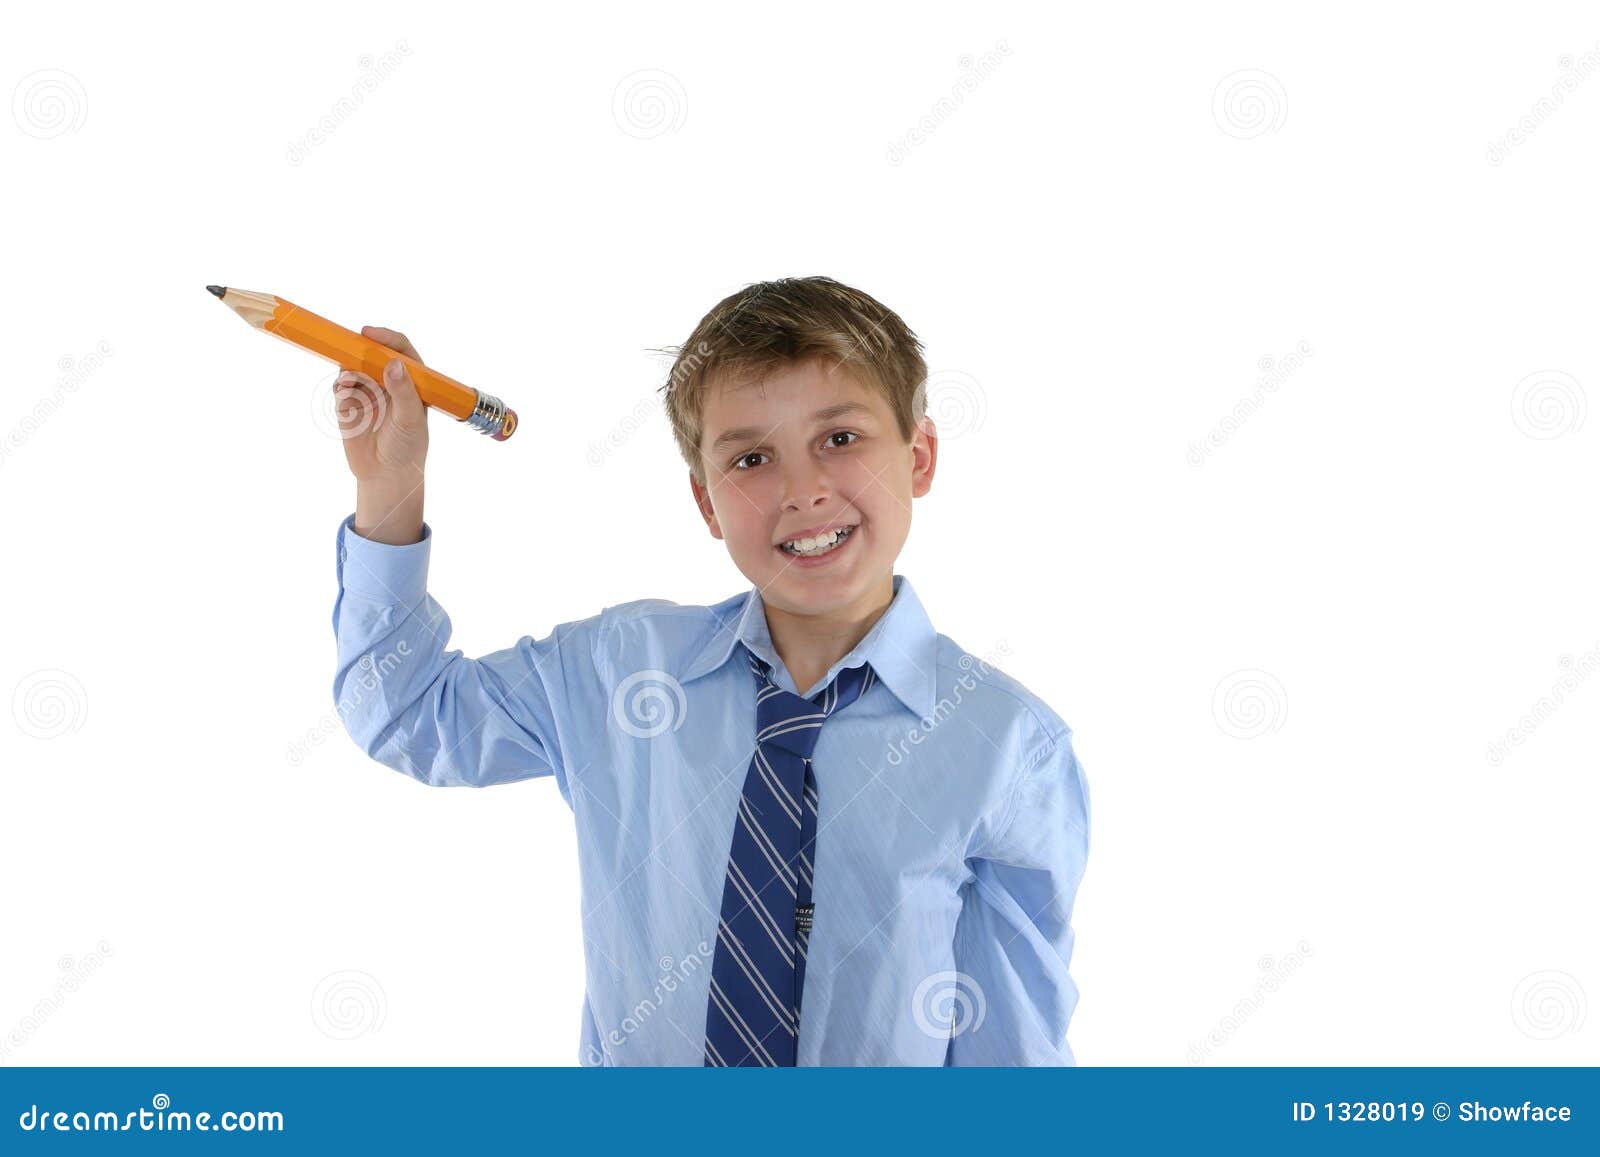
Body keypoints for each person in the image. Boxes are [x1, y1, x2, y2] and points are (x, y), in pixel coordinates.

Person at [329, 276, 1091, 1065]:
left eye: (840, 438)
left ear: (920, 455)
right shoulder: (618, 671)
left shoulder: (1008, 748)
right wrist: (390, 482)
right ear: (706, 502)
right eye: (752, 457)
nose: (803, 491)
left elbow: (1013, 1057)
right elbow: (404, 711)